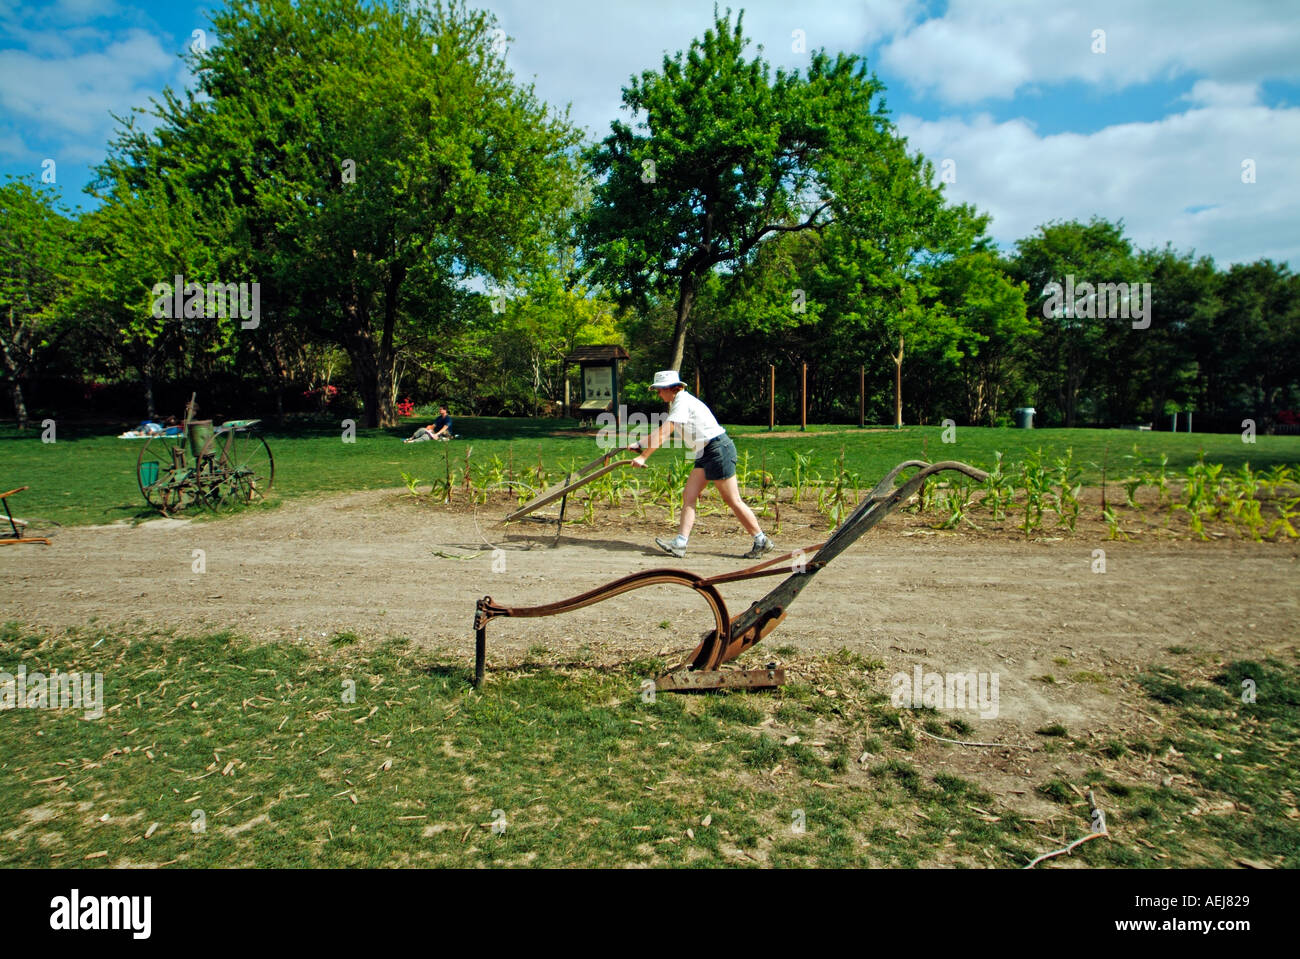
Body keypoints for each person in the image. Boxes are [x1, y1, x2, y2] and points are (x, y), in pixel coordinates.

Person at [632, 370, 774, 559]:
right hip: (704, 452)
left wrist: (643, 457)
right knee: (689, 495)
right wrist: (640, 444)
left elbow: (665, 433)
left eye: (659, 390)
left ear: (669, 388)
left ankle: (761, 540)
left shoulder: (682, 402)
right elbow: (663, 430)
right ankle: (680, 544)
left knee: (732, 499)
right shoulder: (678, 402)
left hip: (717, 450)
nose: (658, 394)